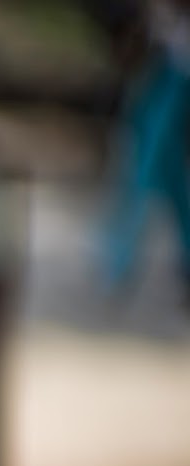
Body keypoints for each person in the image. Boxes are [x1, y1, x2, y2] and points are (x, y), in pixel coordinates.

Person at [99, 0, 190, 294]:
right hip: (167, 64)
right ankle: (120, 258)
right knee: (152, 161)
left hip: (178, 70)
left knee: (153, 160)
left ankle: (122, 260)